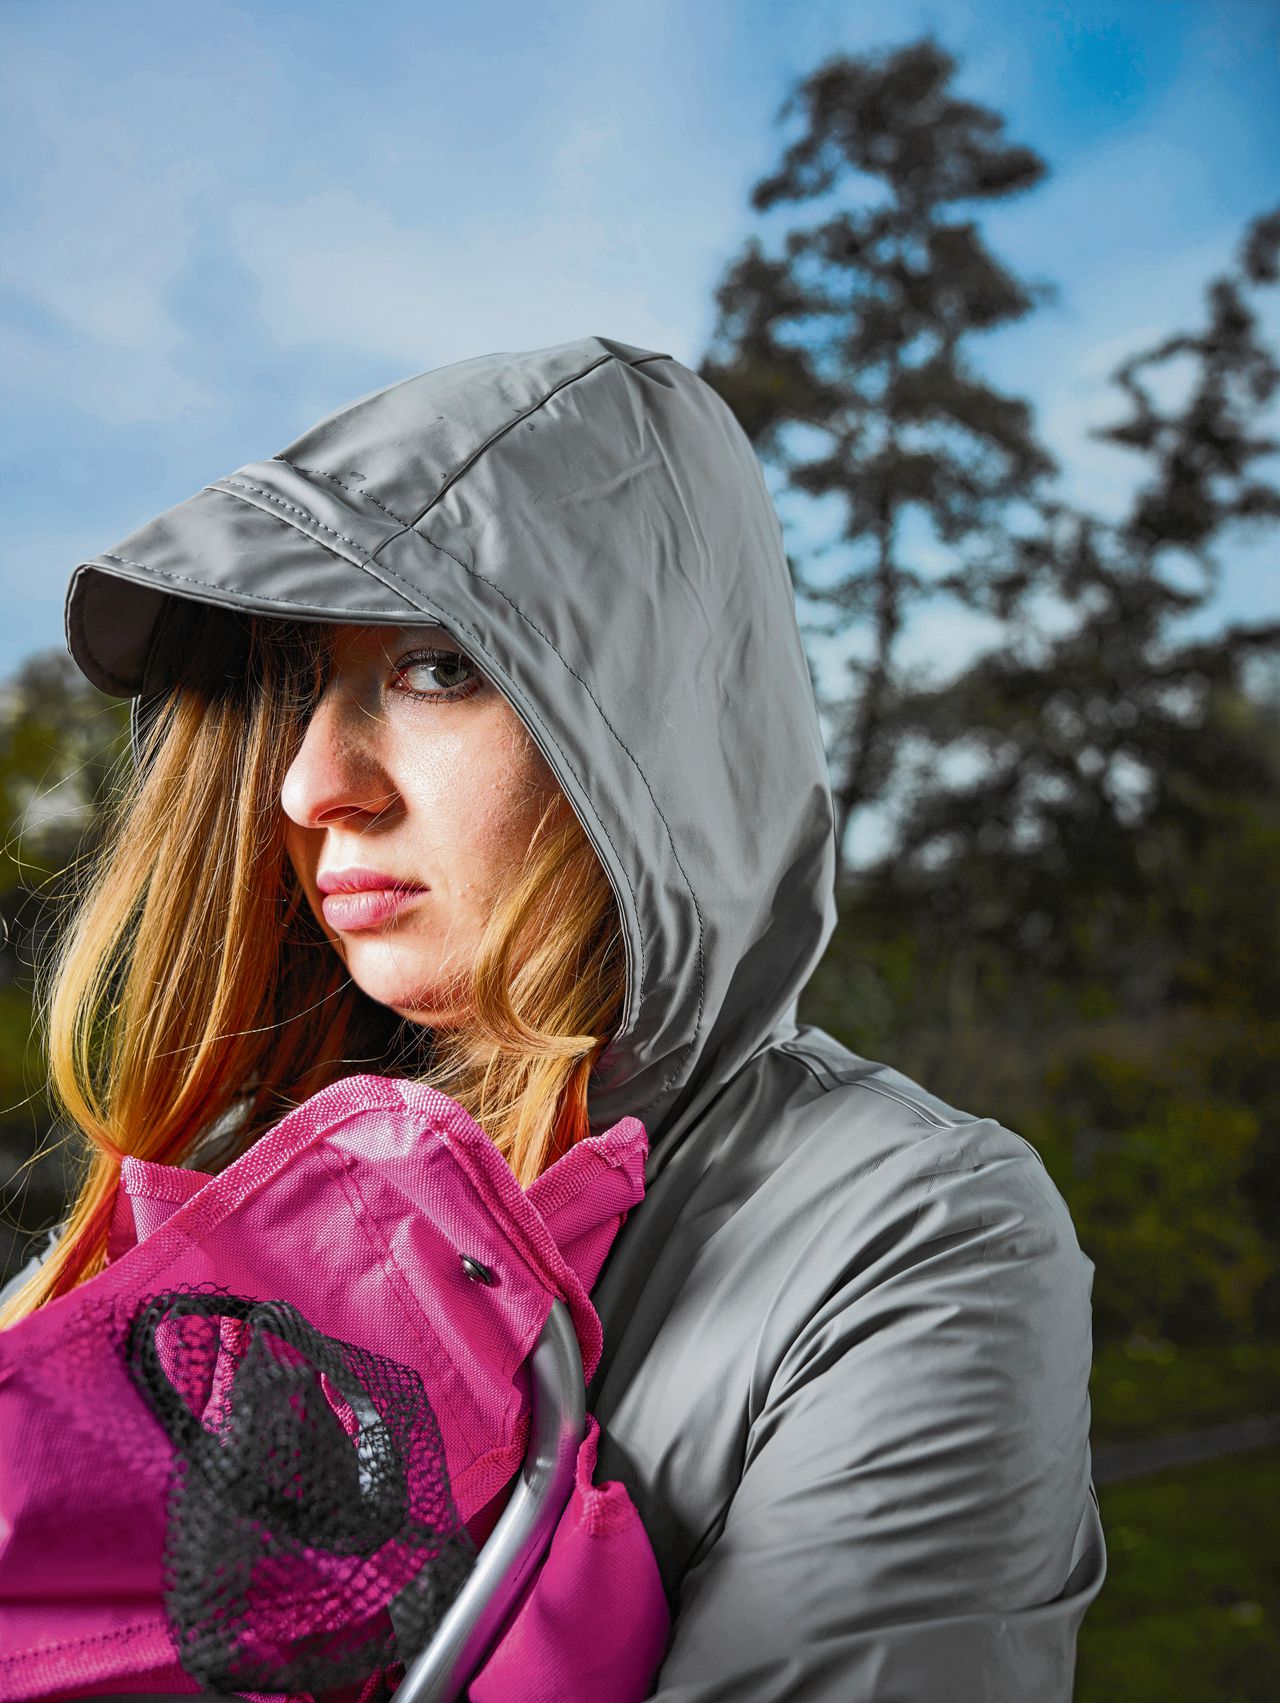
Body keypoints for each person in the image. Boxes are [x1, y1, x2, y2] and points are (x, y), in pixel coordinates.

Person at [1, 334, 1105, 1699]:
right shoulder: (221, 1183)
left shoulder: (908, 1227)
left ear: (651, 728)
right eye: (297, 683)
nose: (311, 786)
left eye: (436, 669)